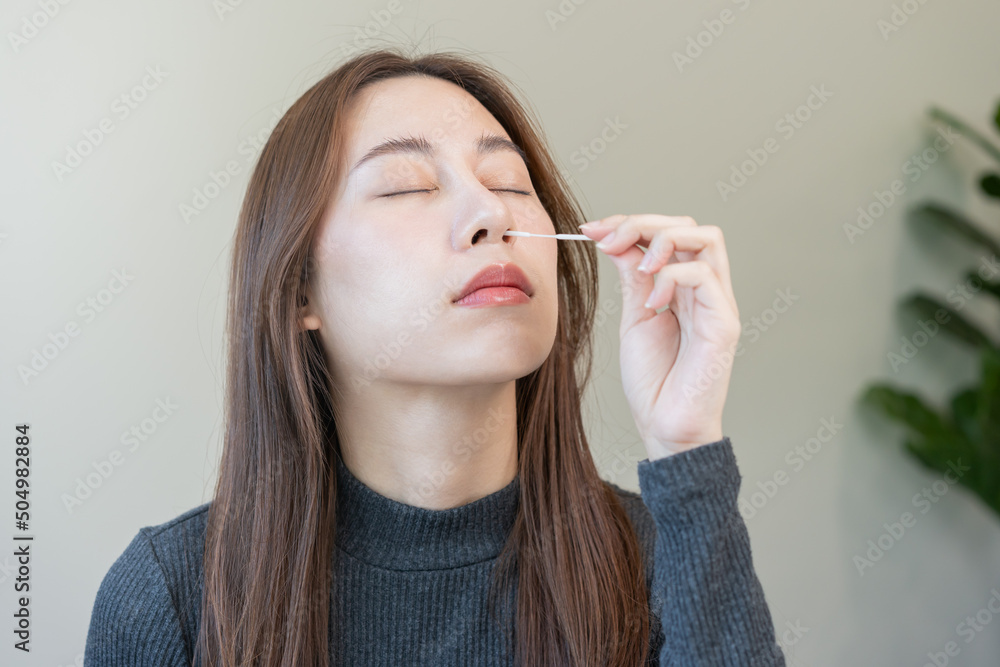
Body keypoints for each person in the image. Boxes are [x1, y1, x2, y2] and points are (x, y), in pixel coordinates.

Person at [84, 47, 787, 666]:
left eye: (511, 183)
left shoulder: (660, 558)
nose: (492, 214)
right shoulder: (171, 599)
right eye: (407, 187)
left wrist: (684, 446)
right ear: (301, 290)